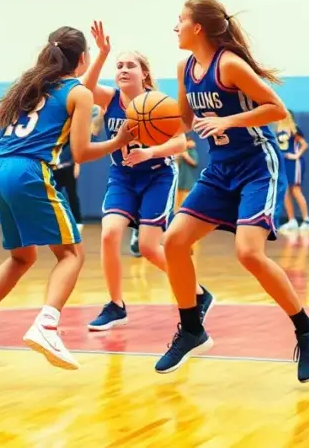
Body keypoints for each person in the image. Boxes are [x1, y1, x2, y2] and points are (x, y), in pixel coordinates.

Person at [155, 0, 309, 383]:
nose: (175, 26)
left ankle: (307, 329)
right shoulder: (185, 68)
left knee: (248, 252)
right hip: (219, 170)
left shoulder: (229, 65)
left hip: (256, 165)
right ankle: (192, 329)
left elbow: (276, 108)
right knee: (174, 242)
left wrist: (228, 120)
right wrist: (140, 117)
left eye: (180, 20)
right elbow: (182, 122)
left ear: (197, 27)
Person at [0, 25, 133, 370]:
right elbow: (79, 152)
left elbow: (80, 86)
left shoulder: (32, 85)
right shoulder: (79, 93)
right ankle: (47, 325)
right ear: (81, 59)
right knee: (72, 254)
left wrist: (102, 58)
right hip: (30, 173)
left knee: (22, 257)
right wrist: (117, 141)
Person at [79, 20, 210, 332]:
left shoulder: (157, 103)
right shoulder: (109, 99)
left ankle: (197, 293)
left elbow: (180, 142)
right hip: (122, 176)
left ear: (144, 74)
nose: (123, 70)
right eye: (119, 65)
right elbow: (83, 88)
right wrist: (102, 54)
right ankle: (115, 305)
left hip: (157, 176)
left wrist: (149, 152)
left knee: (151, 248)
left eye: (131, 66)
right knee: (110, 234)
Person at [276, 110, 309, 232]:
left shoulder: (294, 128)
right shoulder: (277, 129)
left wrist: (296, 155)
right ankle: (292, 220)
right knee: (285, 192)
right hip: (283, 161)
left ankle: (307, 220)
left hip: (294, 163)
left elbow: (304, 144)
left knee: (296, 190)